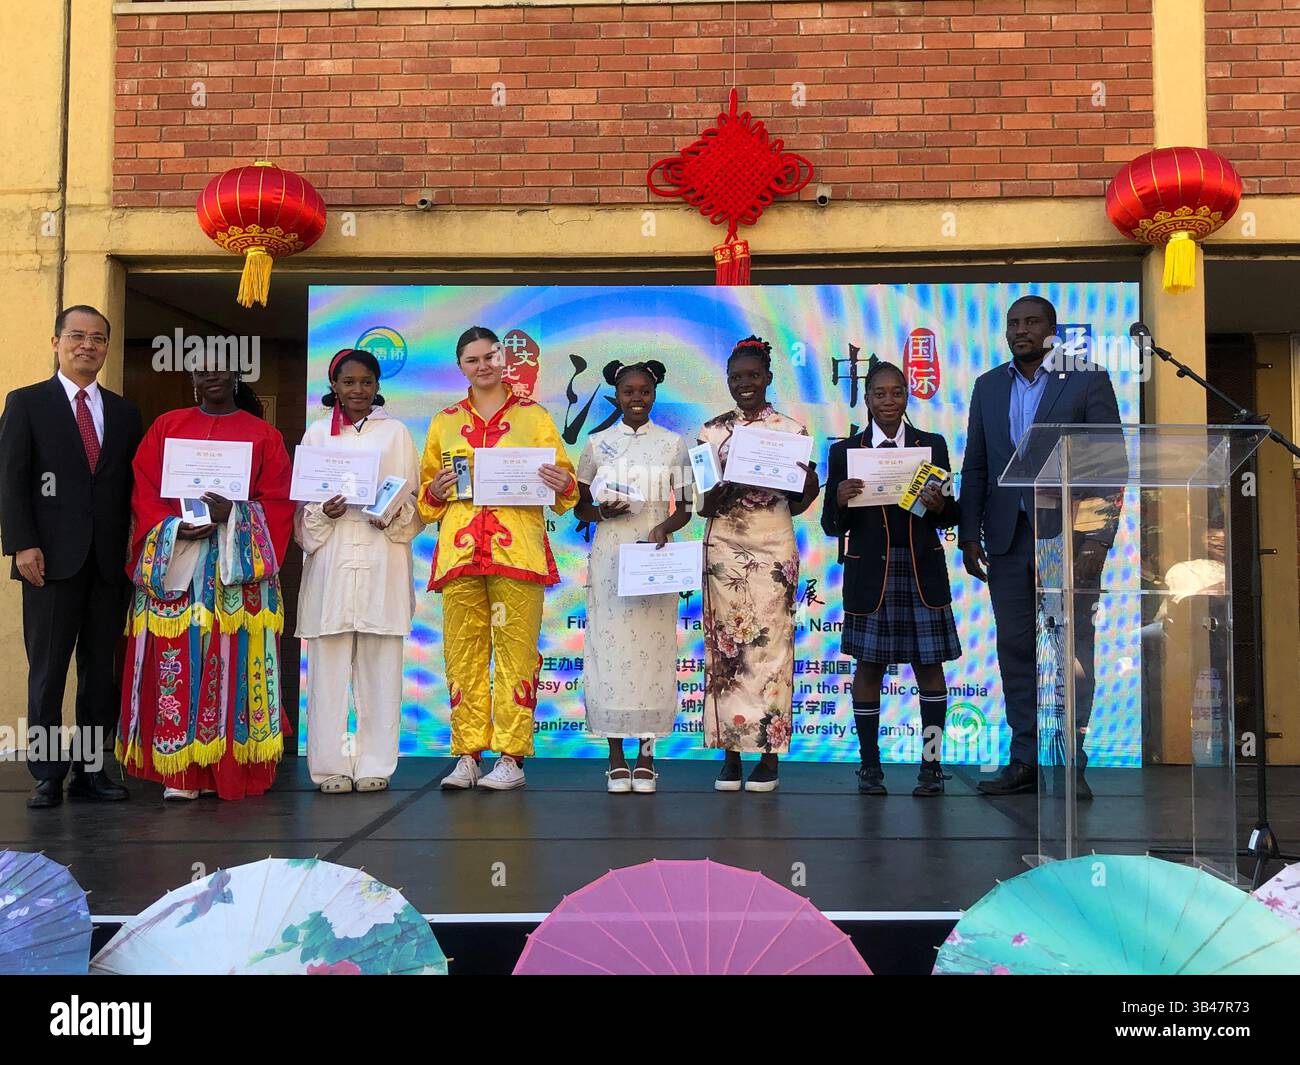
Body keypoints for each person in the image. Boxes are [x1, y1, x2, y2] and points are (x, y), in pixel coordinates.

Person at [958, 295, 1121, 798]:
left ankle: (1073, 758)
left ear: (1053, 329)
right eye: (1013, 324)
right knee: (1014, 648)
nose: (1020, 330)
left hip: (1066, 539)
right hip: (1007, 538)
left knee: (1072, 649)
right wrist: (968, 535)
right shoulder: (988, 387)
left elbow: (1108, 464)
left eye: (1031, 322)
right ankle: (1024, 758)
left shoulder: (1088, 378)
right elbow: (977, 465)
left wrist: (1097, 538)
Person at [117, 368, 294, 801]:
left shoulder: (264, 435)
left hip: (236, 570)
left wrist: (233, 514)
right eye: (202, 369)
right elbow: (144, 490)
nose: (212, 376)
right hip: (178, 562)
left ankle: (231, 769)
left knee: (232, 660)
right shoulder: (167, 427)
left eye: (221, 369)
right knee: (178, 661)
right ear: (194, 378)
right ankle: (181, 771)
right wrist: (175, 526)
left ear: (236, 376)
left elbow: (279, 499)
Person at [418, 326, 579, 791]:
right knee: (462, 655)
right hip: (460, 553)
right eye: (473, 360)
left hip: (518, 552)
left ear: (502, 358)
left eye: (490, 356)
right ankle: (467, 754)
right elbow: (427, 499)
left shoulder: (534, 416)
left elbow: (567, 485)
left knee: (517, 654)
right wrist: (433, 490)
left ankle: (511, 757)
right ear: (461, 366)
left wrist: (560, 482)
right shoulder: (444, 421)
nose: (484, 365)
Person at [0, 306, 143, 809]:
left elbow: (133, 487)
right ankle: (45, 773)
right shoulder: (27, 403)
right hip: (47, 563)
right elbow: (11, 481)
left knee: (98, 673)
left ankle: (91, 770)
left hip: (107, 565)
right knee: (48, 671)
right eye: (77, 336)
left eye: (99, 338)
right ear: (56, 340)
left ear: (107, 347)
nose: (88, 345)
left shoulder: (125, 413)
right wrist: (21, 543)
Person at [821, 359, 962, 797]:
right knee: (869, 667)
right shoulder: (845, 451)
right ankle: (869, 766)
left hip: (921, 570)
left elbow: (952, 513)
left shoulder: (931, 445)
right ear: (866, 399)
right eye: (879, 393)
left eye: (896, 392)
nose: (888, 400)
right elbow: (830, 525)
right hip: (870, 574)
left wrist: (940, 506)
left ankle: (931, 766)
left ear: (907, 396)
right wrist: (841, 499)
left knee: (930, 669)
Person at [295, 349, 424, 794]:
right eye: (348, 382)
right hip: (330, 559)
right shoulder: (316, 434)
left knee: (381, 671)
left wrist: (393, 515)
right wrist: (323, 513)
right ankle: (329, 767)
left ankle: (375, 764)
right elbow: (303, 512)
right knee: (327, 673)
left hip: (380, 555)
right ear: (334, 385)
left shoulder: (397, 433)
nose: (357, 390)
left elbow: (413, 501)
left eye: (366, 381)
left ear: (377, 385)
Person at [698, 335, 820, 793]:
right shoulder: (710, 432)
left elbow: (802, 500)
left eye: (752, 376)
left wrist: (807, 480)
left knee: (771, 650)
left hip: (773, 549)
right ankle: (730, 756)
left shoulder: (792, 431)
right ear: (727, 382)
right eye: (736, 378)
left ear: (768, 378)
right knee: (726, 651)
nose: (744, 384)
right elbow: (703, 505)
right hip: (724, 551)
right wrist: (729, 484)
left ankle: (768, 757)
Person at [575, 360, 692, 794]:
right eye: (628, 391)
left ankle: (647, 753)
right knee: (608, 649)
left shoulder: (673, 444)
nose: (637, 398)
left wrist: (665, 527)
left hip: (654, 558)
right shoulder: (597, 442)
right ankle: (615, 756)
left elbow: (685, 506)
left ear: (655, 394)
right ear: (617, 395)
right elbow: (581, 508)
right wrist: (601, 512)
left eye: (644, 391)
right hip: (610, 558)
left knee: (653, 651)